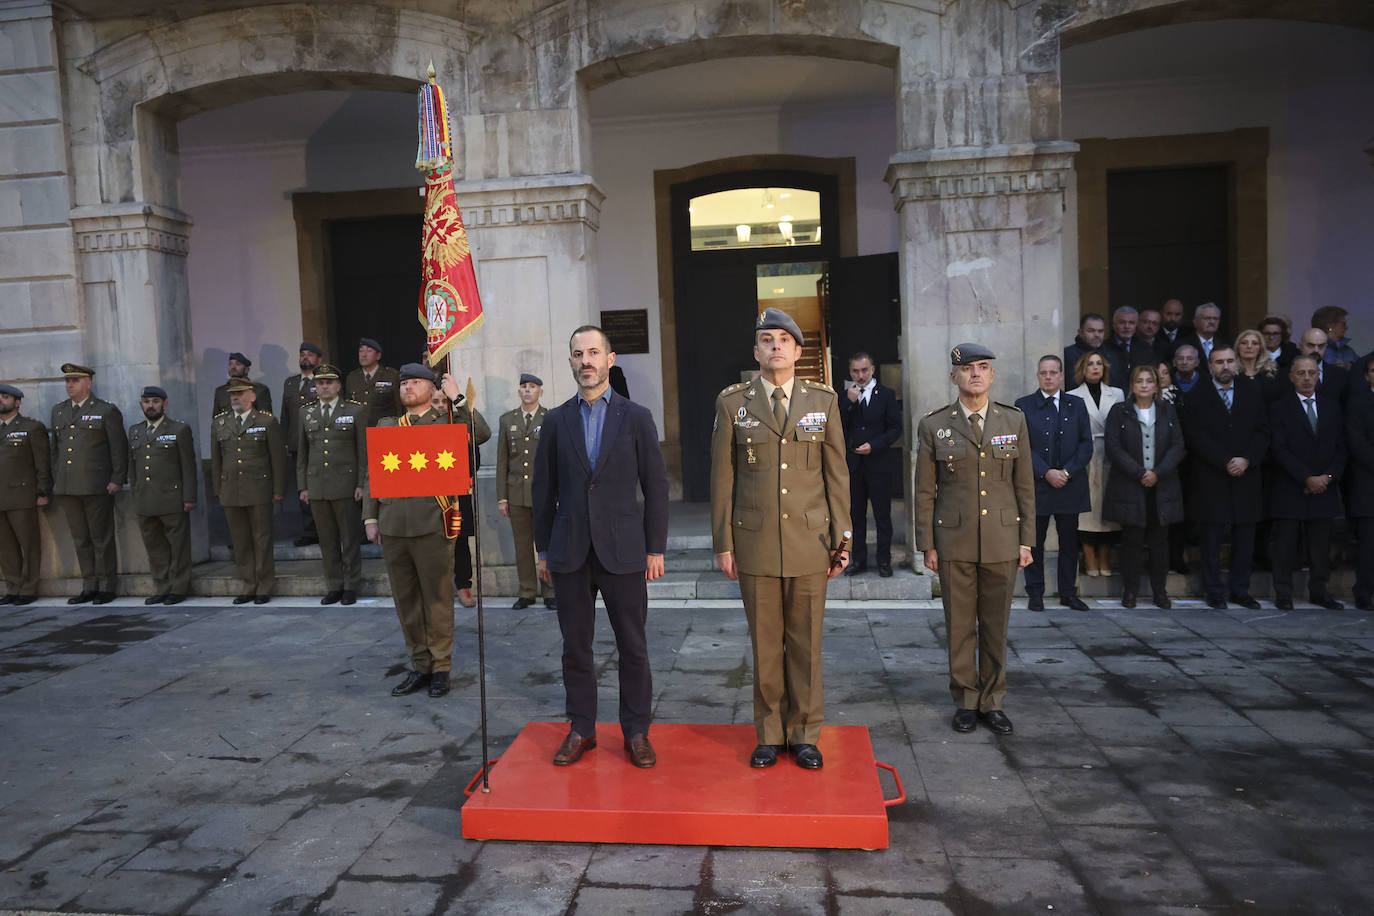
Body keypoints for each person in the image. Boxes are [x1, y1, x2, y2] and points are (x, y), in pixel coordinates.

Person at [710, 309, 850, 769]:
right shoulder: (733, 403)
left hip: (811, 541)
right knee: (766, 644)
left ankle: (805, 734)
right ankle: (770, 733)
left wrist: (843, 540)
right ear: (756, 351)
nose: (775, 347)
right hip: (756, 543)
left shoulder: (823, 401)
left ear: (798, 350)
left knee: (806, 645)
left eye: (784, 340)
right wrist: (724, 543)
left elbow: (837, 475)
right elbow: (723, 478)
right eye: (767, 340)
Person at [534, 325, 669, 768]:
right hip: (569, 551)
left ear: (610, 359)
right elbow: (542, 491)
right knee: (575, 647)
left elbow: (656, 486)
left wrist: (655, 548)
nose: (586, 361)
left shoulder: (636, 417)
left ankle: (637, 732)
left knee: (633, 646)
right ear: (570, 361)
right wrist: (542, 550)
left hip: (624, 550)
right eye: (578, 354)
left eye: (594, 352)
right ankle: (581, 729)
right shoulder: (555, 421)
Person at [916, 343, 1033, 736]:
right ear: (954, 377)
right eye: (967, 369)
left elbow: (1024, 485)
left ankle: (993, 701)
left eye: (983, 367)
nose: (976, 374)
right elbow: (925, 491)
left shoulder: (1013, 420)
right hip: (955, 540)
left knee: (996, 626)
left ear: (993, 375)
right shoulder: (934, 425)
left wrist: (1027, 540)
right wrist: (927, 543)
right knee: (960, 626)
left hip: (1002, 538)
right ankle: (966, 700)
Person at [364, 364, 464, 698]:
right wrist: (370, 518)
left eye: (416, 382)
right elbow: (373, 472)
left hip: (431, 525)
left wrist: (458, 399)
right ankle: (420, 664)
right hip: (394, 525)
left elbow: (479, 433)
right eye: (404, 383)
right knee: (406, 601)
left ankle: (441, 667)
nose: (407, 387)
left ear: (432, 388)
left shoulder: (446, 422)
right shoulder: (387, 425)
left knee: (437, 599)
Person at [1179, 347, 1269, 609]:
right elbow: (1194, 436)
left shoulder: (1253, 392)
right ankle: (1214, 590)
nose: (1225, 366)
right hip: (1212, 476)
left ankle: (1240, 590)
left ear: (1237, 364)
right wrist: (1224, 460)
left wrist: (1246, 459)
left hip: (1246, 475)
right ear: (1210, 366)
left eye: (1230, 361)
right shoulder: (1196, 396)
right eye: (1219, 362)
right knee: (1211, 539)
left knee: (1245, 538)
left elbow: (1263, 431)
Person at [1103, 366, 1186, 609]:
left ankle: (1160, 592)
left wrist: (1157, 472)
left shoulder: (1167, 410)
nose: (1144, 385)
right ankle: (1130, 591)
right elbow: (1113, 447)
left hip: (1162, 485)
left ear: (1156, 385)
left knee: (1160, 542)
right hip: (1131, 485)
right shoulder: (1120, 411)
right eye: (1139, 381)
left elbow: (1178, 445)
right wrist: (1139, 472)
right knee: (1132, 541)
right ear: (1132, 385)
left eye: (1149, 381)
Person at [1268, 355, 1346, 610]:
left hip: (1324, 488)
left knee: (1320, 547)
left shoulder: (1332, 407)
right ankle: (1283, 593)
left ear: (1318, 376)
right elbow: (1279, 449)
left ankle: (1319, 591)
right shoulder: (1279, 408)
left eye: (1312, 373)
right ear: (1292, 377)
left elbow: (1341, 448)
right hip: (1291, 487)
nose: (1307, 378)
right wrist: (1306, 477)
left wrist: (1328, 478)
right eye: (1301, 373)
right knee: (1285, 545)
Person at [1016, 356, 1092, 612]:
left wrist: (1066, 472)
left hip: (1070, 485)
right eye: (1043, 373)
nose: (1048, 377)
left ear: (1061, 375)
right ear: (1038, 376)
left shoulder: (1076, 404)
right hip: (1037, 486)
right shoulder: (1024, 405)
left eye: (1053, 372)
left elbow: (1086, 444)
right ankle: (1035, 592)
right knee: (1033, 541)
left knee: (1069, 543)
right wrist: (1046, 472)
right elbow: (1020, 445)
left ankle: (1068, 593)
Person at [51, 363, 127, 605]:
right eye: (67, 380)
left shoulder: (105, 410)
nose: (70, 384)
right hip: (67, 486)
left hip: (96, 485)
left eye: (75, 380)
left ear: (89, 382)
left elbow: (118, 448)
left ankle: (106, 585)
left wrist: (117, 479)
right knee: (80, 538)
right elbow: (56, 450)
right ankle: (89, 585)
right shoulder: (59, 411)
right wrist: (56, 479)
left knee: (100, 537)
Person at [211, 376, 286, 605]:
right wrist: (218, 489)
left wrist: (278, 489)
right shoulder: (220, 423)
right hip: (231, 489)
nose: (235, 397)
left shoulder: (267, 421)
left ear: (252, 396)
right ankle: (248, 583)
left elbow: (277, 459)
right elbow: (216, 460)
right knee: (240, 540)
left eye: (240, 393)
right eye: (233, 394)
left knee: (262, 538)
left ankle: (264, 584)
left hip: (259, 488)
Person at [297, 364, 366, 606]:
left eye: (329, 382)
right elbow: (302, 452)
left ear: (338, 386)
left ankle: (351, 585)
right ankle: (334, 585)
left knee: (349, 538)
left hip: (346, 484)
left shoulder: (355, 411)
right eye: (320, 383)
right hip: (317, 484)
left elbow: (363, 450)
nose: (324, 387)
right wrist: (303, 486)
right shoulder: (305, 412)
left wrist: (361, 483)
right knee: (326, 540)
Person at [128, 386, 197, 606]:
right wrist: (136, 494)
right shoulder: (135, 431)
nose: (151, 406)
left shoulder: (179, 429)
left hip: (172, 499)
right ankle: (162, 587)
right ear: (141, 405)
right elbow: (133, 468)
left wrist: (189, 497)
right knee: (154, 547)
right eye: (147, 402)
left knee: (178, 547)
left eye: (155, 401)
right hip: (145, 500)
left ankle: (179, 587)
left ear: (164, 404)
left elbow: (188, 466)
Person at [838, 351, 900, 577]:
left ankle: (884, 561)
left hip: (879, 463)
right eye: (855, 371)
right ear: (850, 372)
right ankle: (859, 560)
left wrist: (874, 445)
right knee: (856, 516)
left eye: (864, 370)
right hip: (854, 465)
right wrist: (848, 402)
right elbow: (837, 425)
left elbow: (896, 428)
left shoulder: (886, 394)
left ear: (872, 369)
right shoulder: (845, 396)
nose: (860, 375)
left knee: (882, 515)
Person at [430, 384, 490, 608]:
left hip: (457, 492)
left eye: (444, 402)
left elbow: (482, 434)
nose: (440, 406)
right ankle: (438, 587)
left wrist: (459, 400)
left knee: (460, 539)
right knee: (432, 541)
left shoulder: (460, 422)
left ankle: (463, 584)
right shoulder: (418, 424)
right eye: (435, 401)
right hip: (430, 494)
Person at [496, 373, 551, 609]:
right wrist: (502, 497)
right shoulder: (508, 420)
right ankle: (527, 591)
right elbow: (502, 462)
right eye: (523, 387)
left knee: (546, 544)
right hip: (516, 494)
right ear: (519, 391)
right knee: (522, 546)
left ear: (540, 391)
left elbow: (556, 459)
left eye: (532, 387)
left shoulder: (550, 418)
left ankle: (550, 591)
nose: (527, 390)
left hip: (544, 494)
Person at [1068, 351, 1124, 578]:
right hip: (1085, 457)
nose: (1095, 367)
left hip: (1111, 455)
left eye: (1099, 363)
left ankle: (1104, 555)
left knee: (1108, 510)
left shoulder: (1117, 394)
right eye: (1090, 364)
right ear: (1083, 368)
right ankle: (1089, 556)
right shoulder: (1072, 395)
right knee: (1087, 511)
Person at [0, 385, 50, 606]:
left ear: (17, 402)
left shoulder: (31, 427)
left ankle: (28, 589)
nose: (0, 400)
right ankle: (13, 587)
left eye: (5, 397)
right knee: (5, 547)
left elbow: (42, 463)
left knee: (29, 545)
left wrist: (43, 491)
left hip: (22, 496)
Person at [281, 341, 323, 547]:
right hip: (297, 445)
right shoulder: (290, 383)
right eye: (302, 354)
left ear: (319, 359)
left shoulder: (324, 381)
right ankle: (309, 531)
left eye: (310, 354)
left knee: (321, 486)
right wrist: (284, 441)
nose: (305, 357)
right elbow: (285, 415)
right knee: (302, 489)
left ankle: (324, 529)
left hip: (319, 443)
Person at [1345, 391, 1374, 610]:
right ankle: (1364, 592)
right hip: (1368, 486)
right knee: (1369, 545)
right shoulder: (1358, 404)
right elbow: (1357, 443)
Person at [346, 337, 402, 426]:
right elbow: (348, 406)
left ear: (378, 356)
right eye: (361, 351)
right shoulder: (352, 377)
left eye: (369, 351)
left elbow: (399, 405)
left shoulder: (391, 375)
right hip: (360, 427)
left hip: (384, 427)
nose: (364, 355)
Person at [1287, 328, 1350, 400]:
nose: (1316, 350)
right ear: (1301, 346)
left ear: (1326, 347)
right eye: (1311, 345)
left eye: (1321, 346)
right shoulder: (1285, 374)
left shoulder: (1340, 374)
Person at [1102, 306, 1154, 389]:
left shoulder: (1145, 349)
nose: (1127, 326)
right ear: (1113, 325)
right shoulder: (1103, 348)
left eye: (1131, 323)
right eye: (1122, 322)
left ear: (1136, 325)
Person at [1235, 329, 1280, 402]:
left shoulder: (1271, 373)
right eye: (1244, 343)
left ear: (1260, 348)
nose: (1249, 346)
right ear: (1237, 347)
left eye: (1255, 343)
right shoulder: (1231, 373)